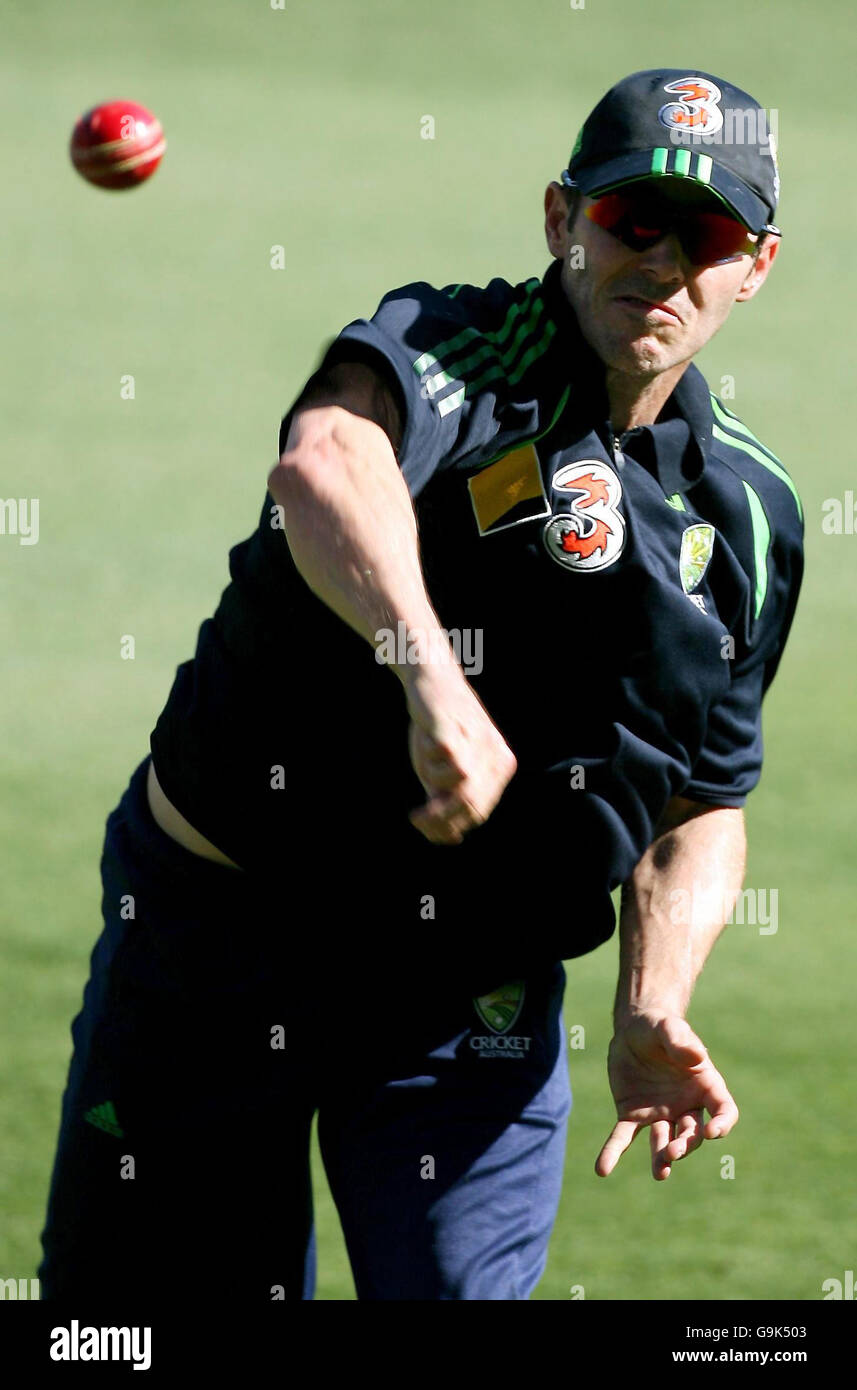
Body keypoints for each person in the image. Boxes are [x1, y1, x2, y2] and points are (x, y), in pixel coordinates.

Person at [39, 68, 803, 1302]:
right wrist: (429, 674)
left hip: (468, 997)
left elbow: (701, 798)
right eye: (628, 221)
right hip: (219, 940)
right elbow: (326, 461)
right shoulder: (456, 347)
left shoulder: (748, 519)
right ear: (561, 220)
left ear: (754, 265)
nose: (660, 261)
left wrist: (651, 1003)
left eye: (704, 234)